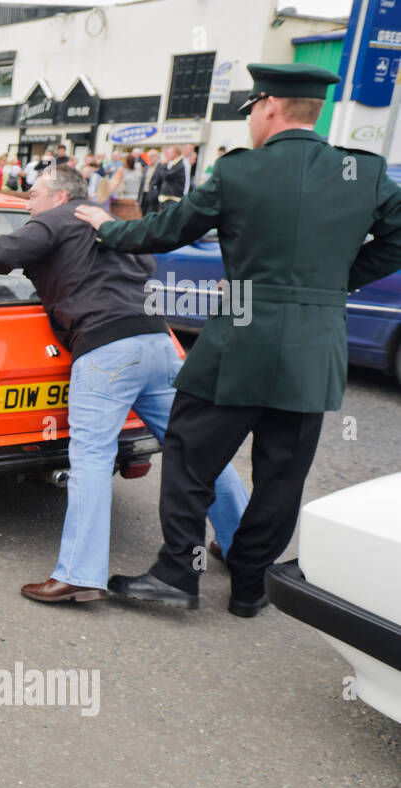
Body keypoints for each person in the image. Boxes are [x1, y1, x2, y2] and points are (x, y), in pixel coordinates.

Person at [74, 63, 401, 617]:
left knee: (188, 455)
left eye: (251, 108)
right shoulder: (362, 172)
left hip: (239, 343)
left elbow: (166, 230)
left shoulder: (240, 172)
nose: (250, 118)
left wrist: (105, 227)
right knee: (281, 474)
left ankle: (178, 572)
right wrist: (338, 279)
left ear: (269, 105)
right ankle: (250, 586)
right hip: (313, 352)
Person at [0, 164, 249, 603]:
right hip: (156, 342)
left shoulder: (54, 220)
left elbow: (0, 253)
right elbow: (146, 260)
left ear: (58, 197)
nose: (27, 203)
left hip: (106, 348)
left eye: (33, 195)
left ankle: (79, 574)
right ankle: (241, 544)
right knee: (197, 448)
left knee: (91, 456)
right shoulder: (114, 226)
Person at [108, 153, 144, 220]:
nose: (124, 163)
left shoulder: (139, 167)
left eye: (125, 162)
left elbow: (143, 181)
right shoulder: (122, 169)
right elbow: (115, 182)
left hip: (138, 197)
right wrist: (108, 192)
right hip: (127, 196)